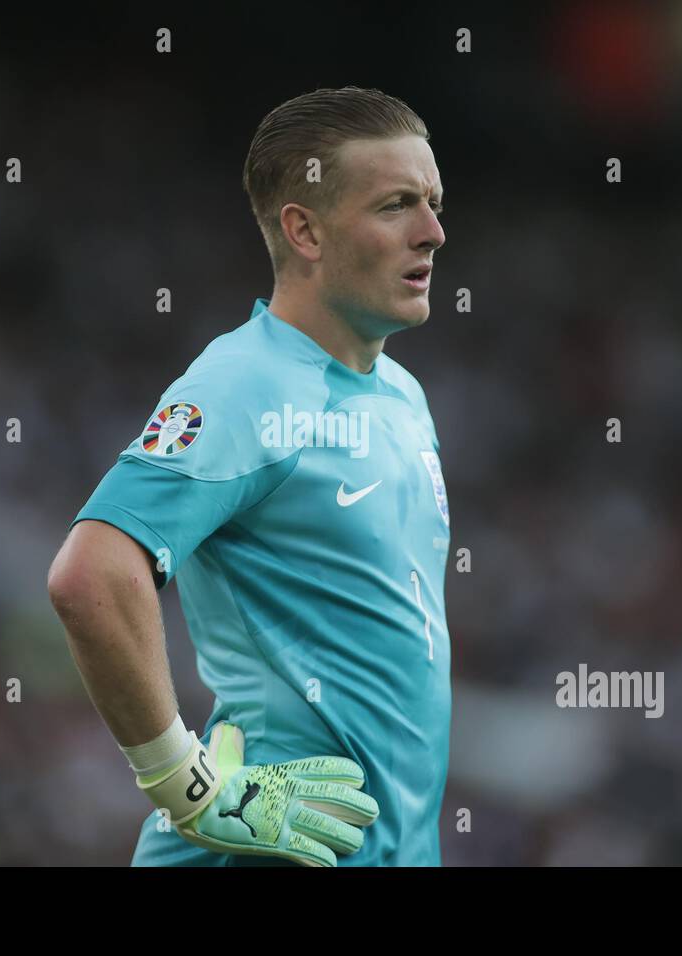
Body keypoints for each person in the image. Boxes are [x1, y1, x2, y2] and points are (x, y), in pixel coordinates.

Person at [47, 86, 451, 866]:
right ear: (304, 229)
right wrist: (186, 787)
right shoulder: (245, 386)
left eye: (433, 202)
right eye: (397, 205)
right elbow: (90, 574)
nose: (433, 233)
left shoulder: (403, 396)